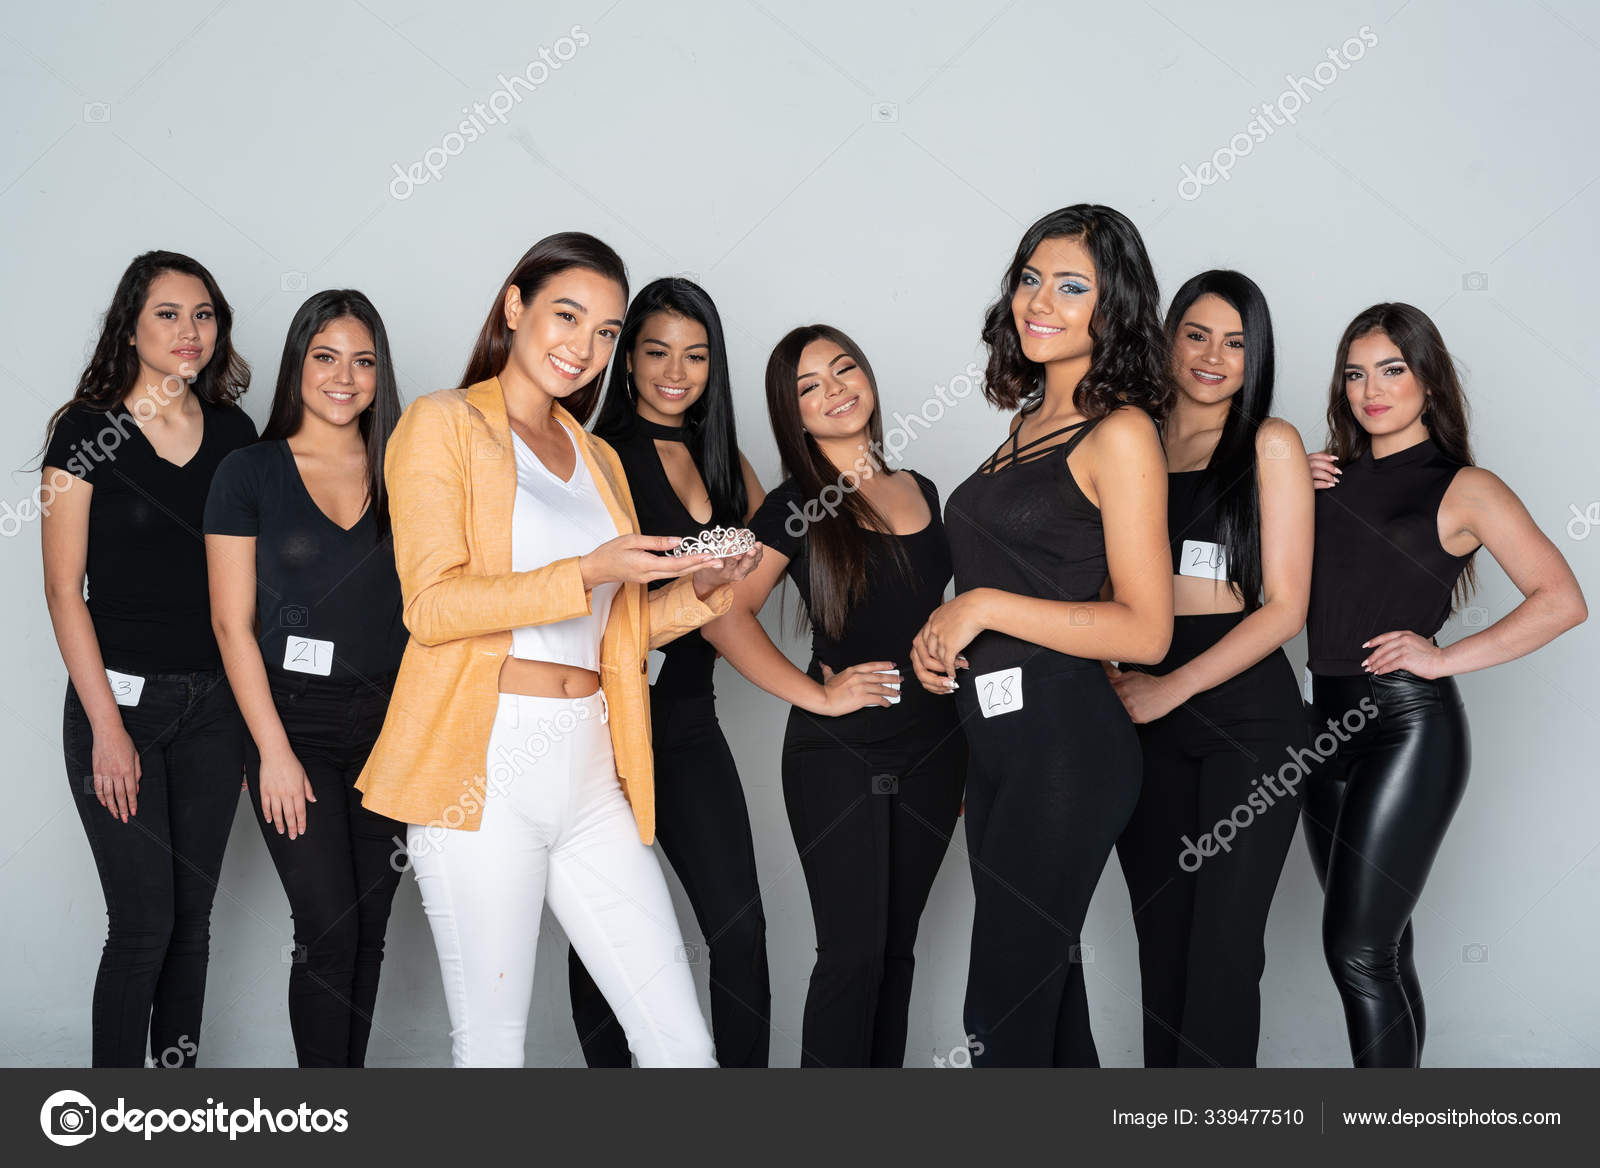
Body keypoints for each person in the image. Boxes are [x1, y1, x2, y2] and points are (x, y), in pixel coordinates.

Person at [353, 232, 760, 1067]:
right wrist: (588, 569)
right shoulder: (443, 424)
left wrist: (704, 589)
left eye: (607, 331)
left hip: (592, 766)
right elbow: (431, 607)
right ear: (515, 308)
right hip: (483, 765)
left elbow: (616, 634)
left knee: (682, 1047)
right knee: (494, 1048)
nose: (586, 346)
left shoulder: (597, 453)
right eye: (568, 315)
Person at [912, 204, 1174, 1067]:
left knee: (1000, 1009)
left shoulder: (1122, 433)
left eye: (1072, 287)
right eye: (1031, 279)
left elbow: (1145, 629)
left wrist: (982, 606)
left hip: (1069, 748)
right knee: (1048, 1010)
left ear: (1115, 308)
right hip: (998, 748)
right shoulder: (1026, 425)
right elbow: (1031, 579)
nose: (1041, 302)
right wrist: (943, 632)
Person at [1301, 302, 1586, 1067]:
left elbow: (1563, 600)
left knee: (1356, 951)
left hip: (1407, 731)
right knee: (1383, 950)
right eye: (1356, 373)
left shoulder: (1464, 486)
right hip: (1319, 734)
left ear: (1428, 378)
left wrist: (1442, 657)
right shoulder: (1322, 478)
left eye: (1392, 369)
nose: (1372, 389)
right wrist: (1283, 485)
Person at [702, 324, 966, 1067]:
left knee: (896, 953)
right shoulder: (795, 504)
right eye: (808, 387)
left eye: (843, 369)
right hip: (840, 755)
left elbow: (944, 619)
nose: (833, 390)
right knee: (852, 956)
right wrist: (816, 698)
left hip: (937, 748)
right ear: (795, 416)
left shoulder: (922, 488)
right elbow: (721, 615)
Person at [40, 250, 257, 1067]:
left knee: (191, 926)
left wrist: (248, 722)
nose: (189, 330)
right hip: (118, 706)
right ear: (130, 325)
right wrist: (106, 728)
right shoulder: (86, 430)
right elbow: (65, 591)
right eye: (168, 313)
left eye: (203, 314)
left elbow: (247, 596)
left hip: (214, 711)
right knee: (142, 925)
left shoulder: (236, 434)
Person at [566, 276, 771, 1067]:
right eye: (655, 351)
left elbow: (760, 569)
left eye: (695, 354)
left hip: (689, 720)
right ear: (625, 360)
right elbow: (584, 590)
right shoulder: (598, 452)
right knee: (607, 935)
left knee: (739, 927)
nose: (675, 371)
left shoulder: (724, 460)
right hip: (608, 717)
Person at [1110, 270, 1313, 1066]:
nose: (1213, 356)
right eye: (1197, 334)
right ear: (1167, 336)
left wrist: (1174, 687)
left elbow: (1286, 607)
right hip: (1140, 710)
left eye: (1236, 342)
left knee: (1224, 951)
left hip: (1248, 718)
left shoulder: (1269, 441)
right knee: (1161, 944)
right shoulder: (1129, 438)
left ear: (1254, 356)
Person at [205, 289, 408, 1066]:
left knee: (369, 932)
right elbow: (232, 625)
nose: (344, 377)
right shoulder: (249, 472)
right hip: (293, 727)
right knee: (327, 931)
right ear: (298, 365)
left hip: (393, 729)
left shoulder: (405, 469)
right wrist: (275, 754)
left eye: (363, 361)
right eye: (326, 357)